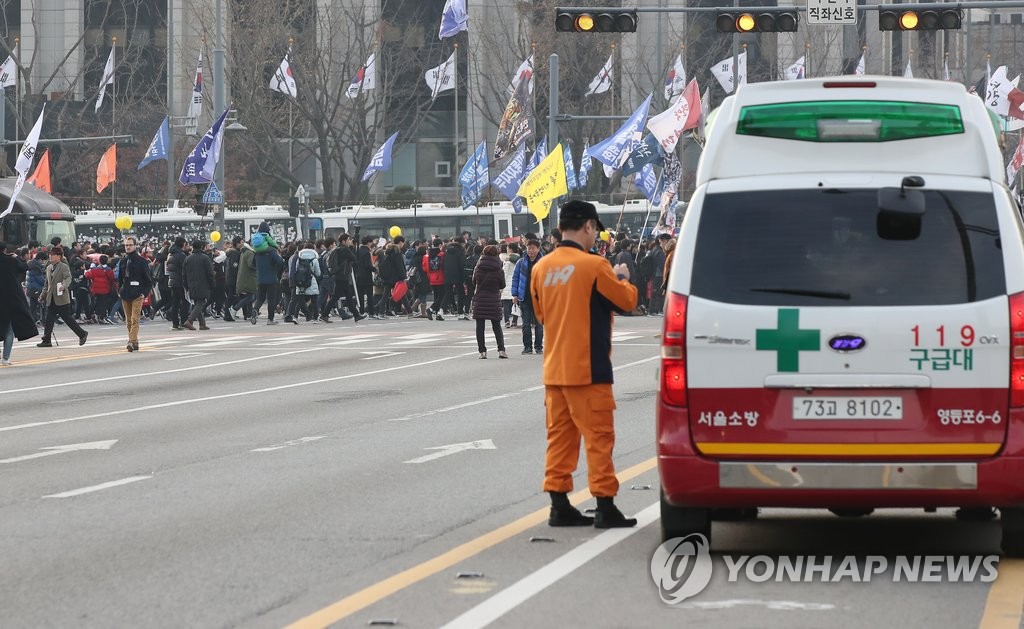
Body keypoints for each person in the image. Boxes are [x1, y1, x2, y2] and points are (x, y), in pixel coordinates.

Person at [530, 200, 638, 528]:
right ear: (589, 226)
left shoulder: (541, 268)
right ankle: (605, 505)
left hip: (554, 369)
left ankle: (559, 504)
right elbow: (626, 302)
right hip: (588, 369)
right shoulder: (594, 266)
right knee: (599, 437)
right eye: (595, 231)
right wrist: (623, 278)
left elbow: (541, 315)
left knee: (560, 438)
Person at [37, 246, 89, 347]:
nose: (50, 256)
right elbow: (46, 285)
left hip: (61, 298)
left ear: (59, 256)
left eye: (53, 255)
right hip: (51, 298)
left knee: (67, 318)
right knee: (49, 319)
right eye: (50, 254)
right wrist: (42, 296)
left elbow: (68, 278)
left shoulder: (64, 266)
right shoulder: (48, 268)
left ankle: (82, 334)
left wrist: (64, 286)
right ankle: (47, 340)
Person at [0, 241, 37, 365]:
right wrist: (16, 257)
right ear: (5, 250)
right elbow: (24, 267)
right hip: (10, 297)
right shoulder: (10, 260)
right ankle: (5, 358)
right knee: (9, 329)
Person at [116, 235, 154, 352]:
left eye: (130, 245)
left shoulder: (142, 261)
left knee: (135, 318)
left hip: (138, 294)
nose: (128, 247)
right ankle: (134, 341)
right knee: (128, 320)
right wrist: (119, 290)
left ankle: (131, 341)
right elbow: (120, 279)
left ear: (135, 246)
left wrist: (144, 293)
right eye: (126, 245)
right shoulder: (122, 261)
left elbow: (148, 280)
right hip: (125, 293)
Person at [472, 245, 507, 359]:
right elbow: (502, 284)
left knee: (480, 326)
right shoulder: (499, 269)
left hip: (480, 298)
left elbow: (474, 281)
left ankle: (482, 352)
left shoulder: (478, 267)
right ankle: (501, 350)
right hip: (493, 299)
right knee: (496, 325)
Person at [511, 239, 544, 354]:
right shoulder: (521, 262)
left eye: (533, 248)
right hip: (524, 297)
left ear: (538, 249)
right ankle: (527, 347)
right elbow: (515, 279)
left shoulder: (544, 262)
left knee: (539, 325)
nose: (530, 251)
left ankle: (538, 346)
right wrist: (514, 294)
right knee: (526, 324)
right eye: (528, 248)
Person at [182, 239, 215, 330]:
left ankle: (202, 324)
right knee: (201, 302)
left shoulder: (187, 258)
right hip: (203, 283)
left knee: (197, 302)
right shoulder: (205, 258)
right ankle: (189, 320)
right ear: (202, 247)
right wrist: (212, 284)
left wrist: (186, 285)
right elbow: (210, 273)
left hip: (191, 283)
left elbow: (184, 274)